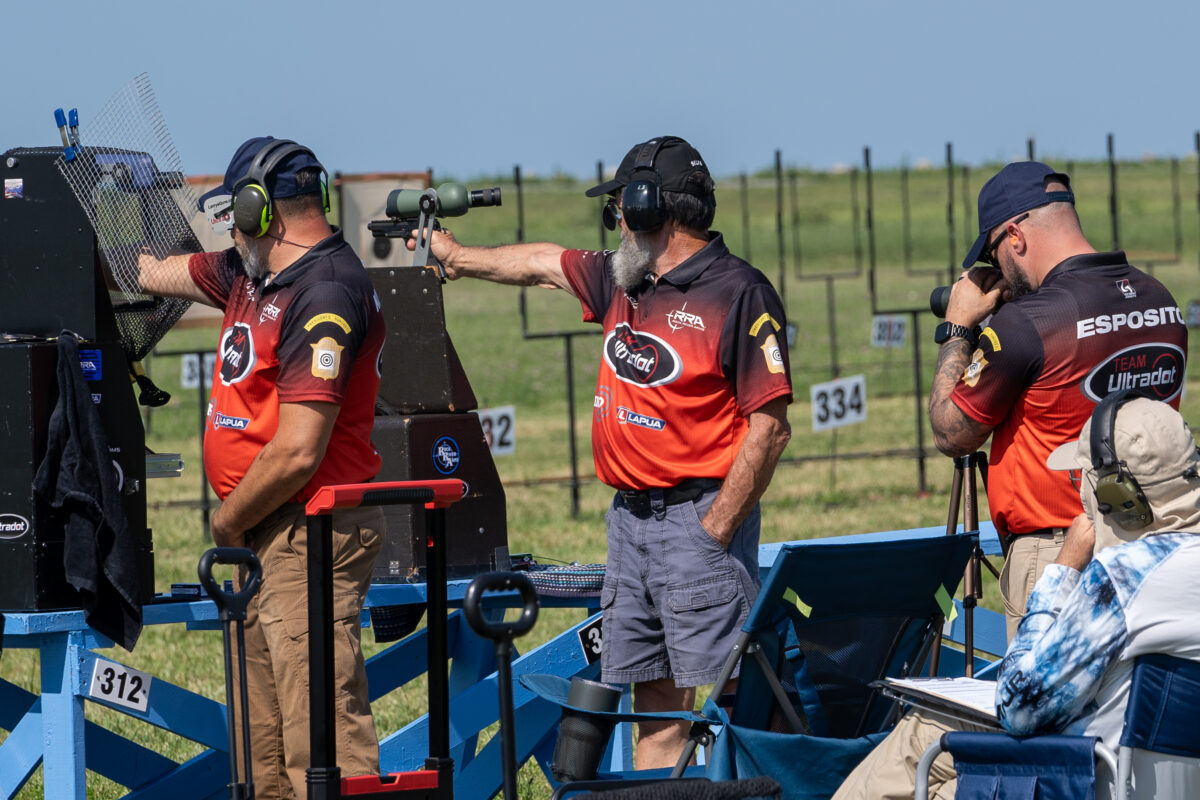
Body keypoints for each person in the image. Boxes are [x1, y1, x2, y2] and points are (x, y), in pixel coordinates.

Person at [406, 135, 793, 768]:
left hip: (697, 520)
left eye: (620, 208)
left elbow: (770, 427)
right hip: (631, 524)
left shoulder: (738, 292)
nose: (614, 222)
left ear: (646, 208)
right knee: (657, 707)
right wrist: (455, 255)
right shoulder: (625, 281)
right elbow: (539, 262)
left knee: (737, 699)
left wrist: (714, 530)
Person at [138, 136, 386, 799]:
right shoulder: (252, 271)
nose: (227, 229)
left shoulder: (325, 290)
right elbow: (156, 272)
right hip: (262, 531)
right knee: (262, 742)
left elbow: (300, 450)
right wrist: (76, 252)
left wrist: (226, 520)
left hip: (305, 530)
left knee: (320, 733)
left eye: (233, 214)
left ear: (258, 209)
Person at [834, 393, 1200, 800]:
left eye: (1084, 479)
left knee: (922, 732)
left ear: (1117, 496)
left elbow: (1019, 706)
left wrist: (1062, 571)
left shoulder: (1121, 581)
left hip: (1091, 778)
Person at [927, 160, 1187, 638]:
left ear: (1015, 237)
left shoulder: (1027, 323)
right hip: (1153, 543)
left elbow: (951, 431)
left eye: (993, 254)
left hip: (1059, 556)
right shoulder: (1160, 300)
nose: (997, 269)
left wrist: (959, 328)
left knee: (1042, 709)